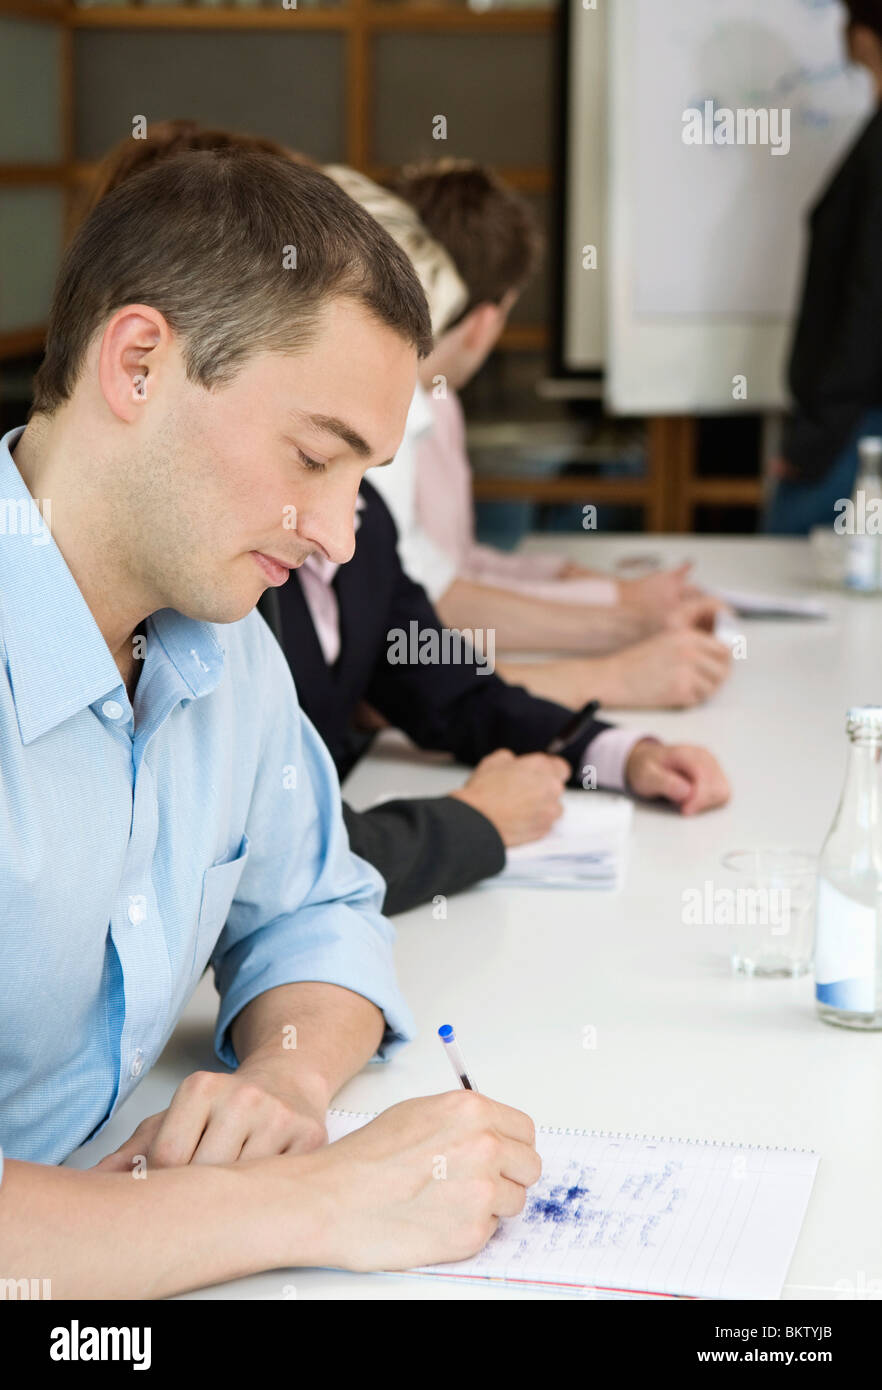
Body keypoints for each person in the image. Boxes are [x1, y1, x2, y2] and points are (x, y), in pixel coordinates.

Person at [0, 148, 543, 1298]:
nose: (341, 539)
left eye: (365, 478)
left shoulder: (224, 639)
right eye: (313, 456)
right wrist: (311, 1199)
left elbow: (314, 909)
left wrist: (286, 1078)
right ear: (139, 363)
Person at [88, 126, 731, 921]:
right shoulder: (201, 576)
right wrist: (472, 822)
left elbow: (445, 691)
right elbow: (261, 871)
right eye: (318, 452)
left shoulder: (336, 532)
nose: (343, 529)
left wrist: (612, 751)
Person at [368, 159, 733, 710]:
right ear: (489, 320)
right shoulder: (382, 422)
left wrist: (592, 590)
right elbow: (425, 612)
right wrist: (619, 621)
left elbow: (446, 570)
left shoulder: (434, 404)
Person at [766, 0, 882, 534]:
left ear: (865, 35)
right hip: (854, 420)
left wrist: (816, 436)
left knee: (793, 585)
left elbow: (867, 298)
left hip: (854, 428)